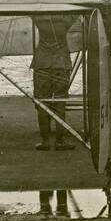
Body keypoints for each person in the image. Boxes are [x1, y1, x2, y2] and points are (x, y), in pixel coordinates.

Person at [32, 14, 76, 151]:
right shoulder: (65, 21)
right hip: (61, 62)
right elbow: (74, 15)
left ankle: (45, 141)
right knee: (60, 102)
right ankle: (60, 140)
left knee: (42, 102)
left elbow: (31, 12)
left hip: (42, 62)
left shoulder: (39, 19)